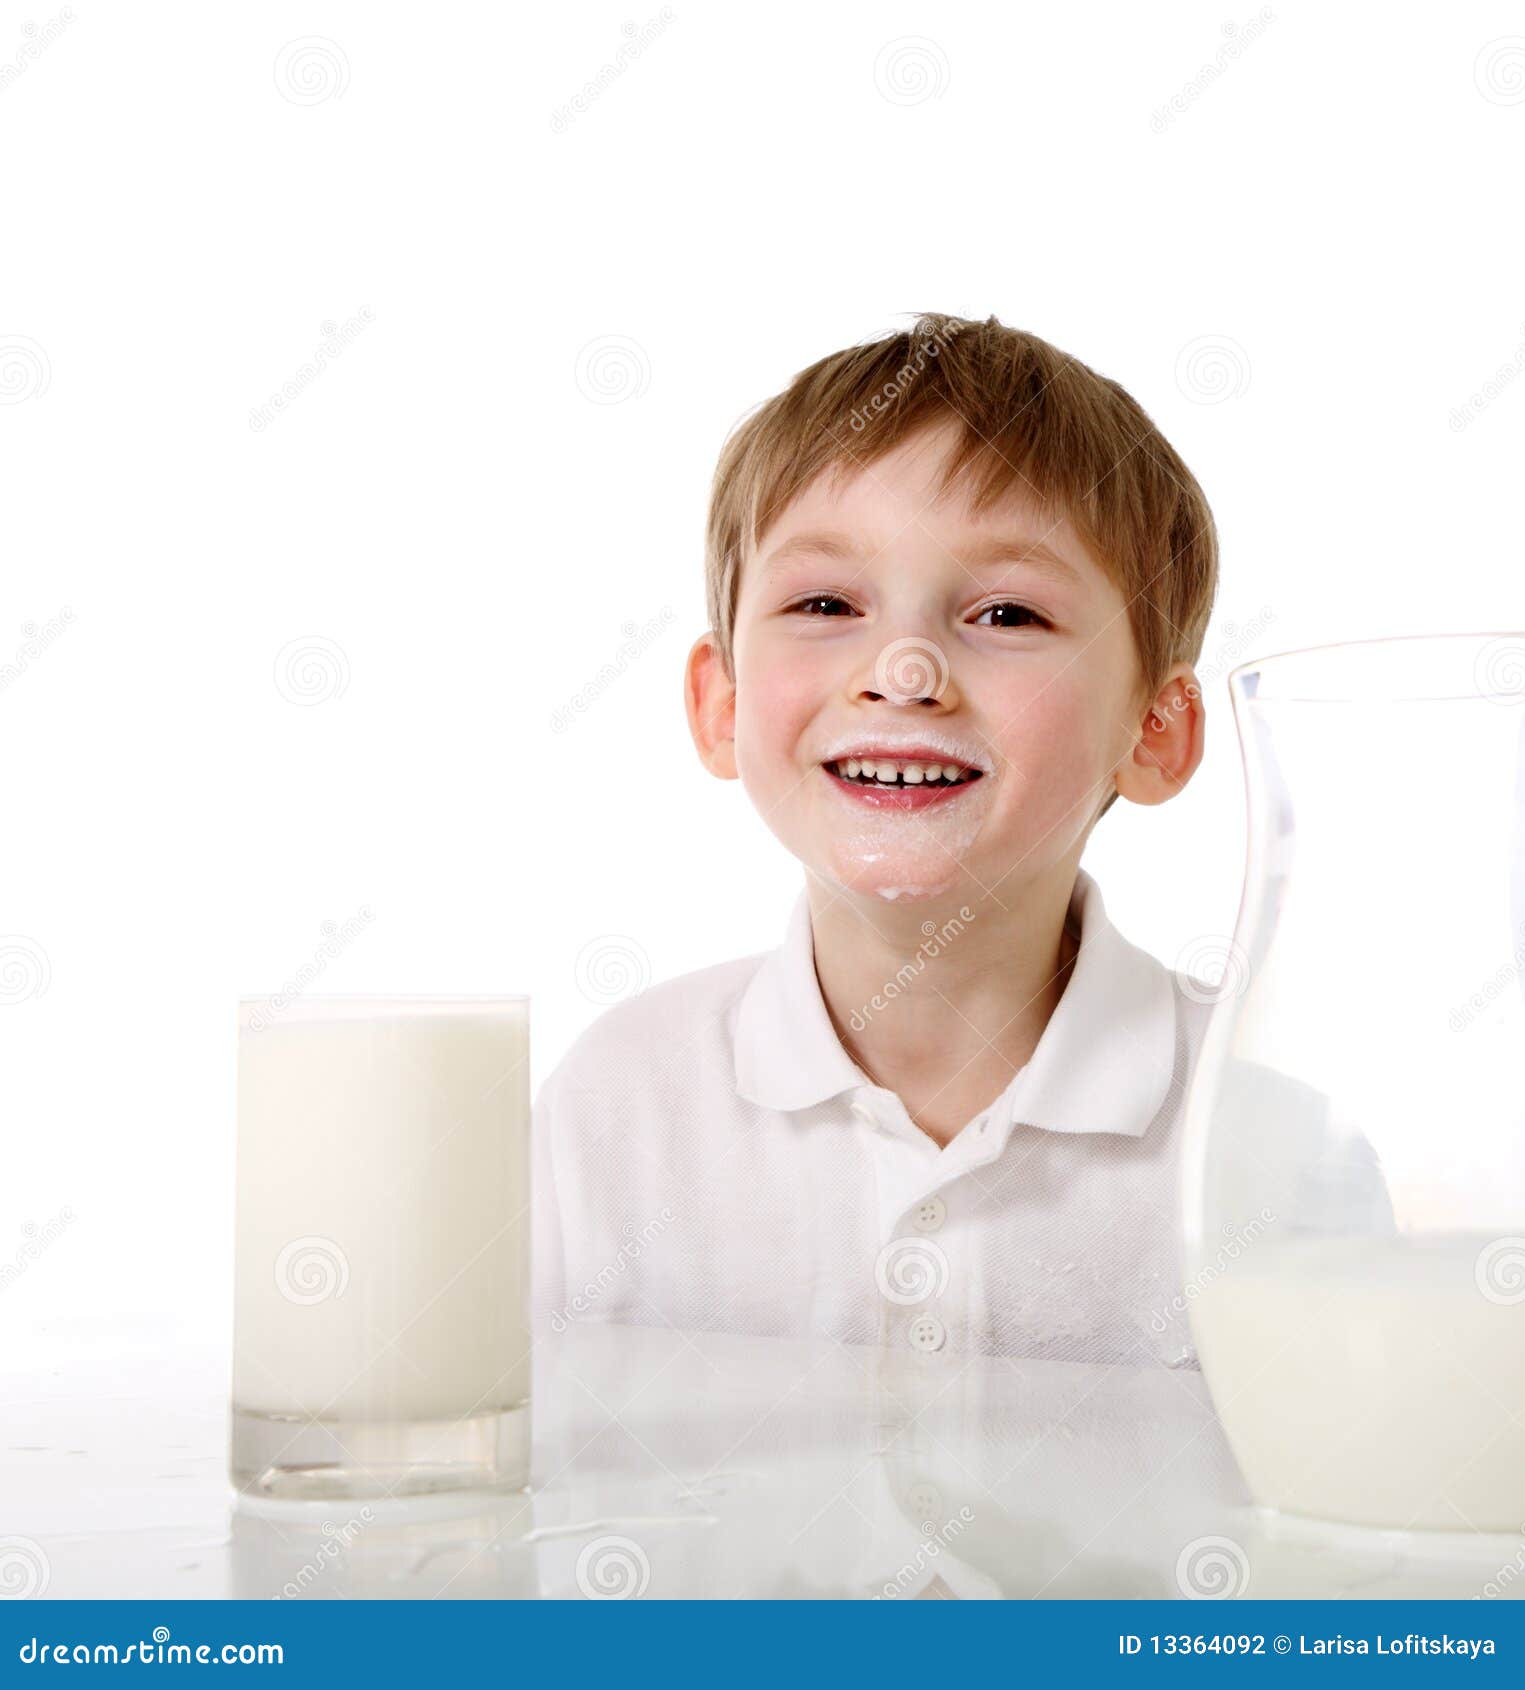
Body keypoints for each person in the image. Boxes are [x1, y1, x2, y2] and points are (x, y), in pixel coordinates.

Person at [533, 311, 1220, 1366]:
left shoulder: (1253, 1125)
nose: (904, 672)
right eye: (824, 602)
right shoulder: (618, 1105)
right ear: (721, 704)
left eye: (1006, 615)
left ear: (1154, 730)